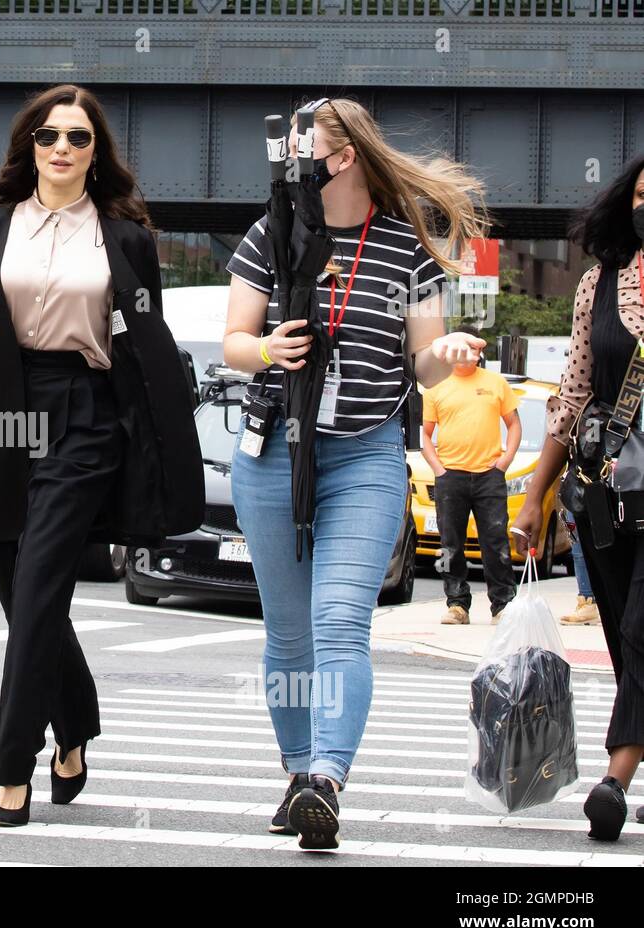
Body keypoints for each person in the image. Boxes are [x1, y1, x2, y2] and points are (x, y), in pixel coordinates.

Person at [0, 84, 202, 827]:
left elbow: (144, 345)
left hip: (84, 414)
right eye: (49, 136)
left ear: (97, 154)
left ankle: (9, 768)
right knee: (19, 590)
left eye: (78, 138)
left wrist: (151, 449)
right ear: (29, 147)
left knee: (41, 582)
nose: (62, 148)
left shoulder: (124, 240)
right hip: (2, 407)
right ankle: (77, 728)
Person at [224, 96, 489, 849]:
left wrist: (454, 352)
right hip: (274, 449)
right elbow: (234, 342)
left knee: (341, 620)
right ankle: (297, 767)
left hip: (366, 454)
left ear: (341, 158)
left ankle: (326, 780)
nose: (291, 165)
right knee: (288, 634)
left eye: (303, 151)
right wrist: (271, 349)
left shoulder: (404, 248)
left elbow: (426, 364)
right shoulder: (269, 236)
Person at [512, 153, 644, 841]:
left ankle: (614, 782)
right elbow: (572, 397)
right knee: (626, 638)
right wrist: (534, 495)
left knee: (639, 631)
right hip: (610, 494)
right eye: (643, 195)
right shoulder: (599, 284)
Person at [420, 327, 520, 625]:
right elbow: (424, 434)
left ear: (480, 353)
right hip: (451, 477)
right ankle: (457, 605)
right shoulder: (436, 387)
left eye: (473, 348)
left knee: (496, 542)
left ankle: (502, 605)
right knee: (451, 544)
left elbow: (513, 424)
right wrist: (438, 468)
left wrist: (504, 462)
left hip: (489, 475)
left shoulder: (496, 383)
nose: (468, 354)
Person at [560, 508, 601, 625]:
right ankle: (587, 602)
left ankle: (590, 602)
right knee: (578, 551)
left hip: (604, 493)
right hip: (576, 495)